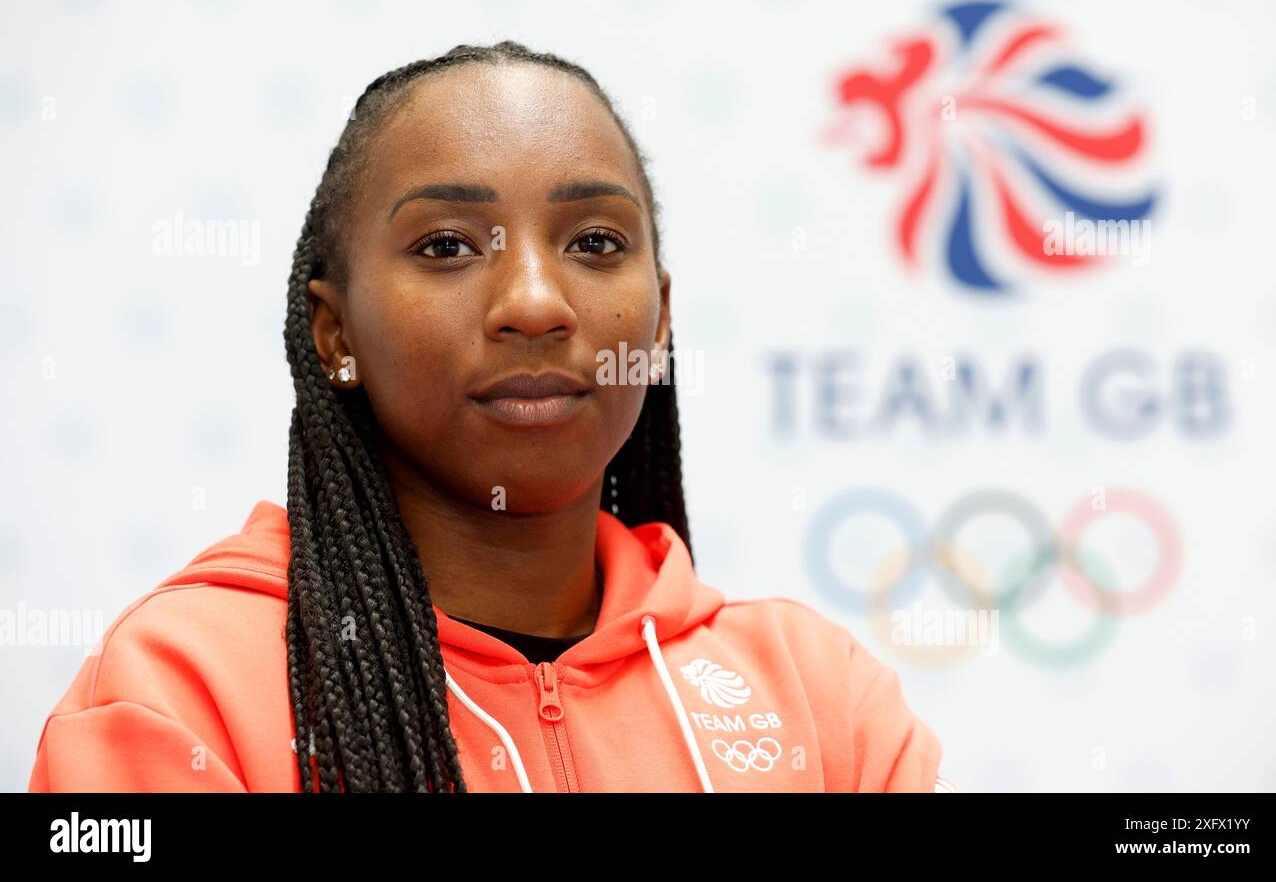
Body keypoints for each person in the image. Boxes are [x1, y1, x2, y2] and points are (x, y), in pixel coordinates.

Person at [28, 41, 947, 793]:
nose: (537, 302)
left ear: (660, 320)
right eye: (447, 246)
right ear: (334, 331)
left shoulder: (822, 697)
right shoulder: (185, 688)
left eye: (595, 242)